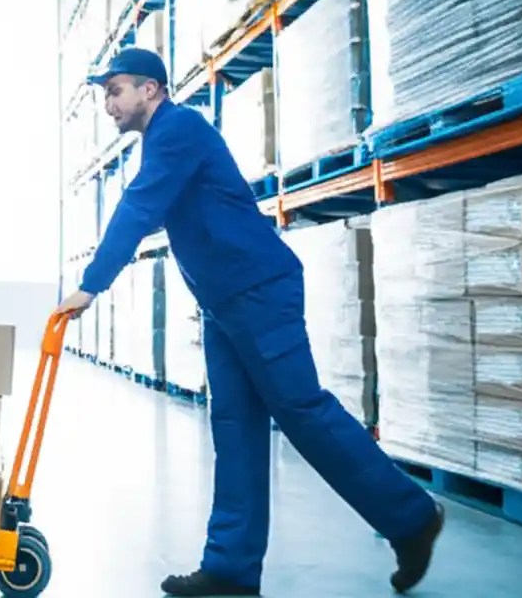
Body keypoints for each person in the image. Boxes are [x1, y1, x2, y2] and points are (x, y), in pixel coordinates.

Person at [56, 47, 444, 597]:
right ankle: (231, 569)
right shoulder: (161, 140)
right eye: (104, 96)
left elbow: (139, 208)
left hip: (259, 292)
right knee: (235, 428)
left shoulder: (179, 129)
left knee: (303, 411)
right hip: (225, 303)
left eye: (115, 91)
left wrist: (91, 283)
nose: (108, 105)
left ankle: (412, 517)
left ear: (152, 89)